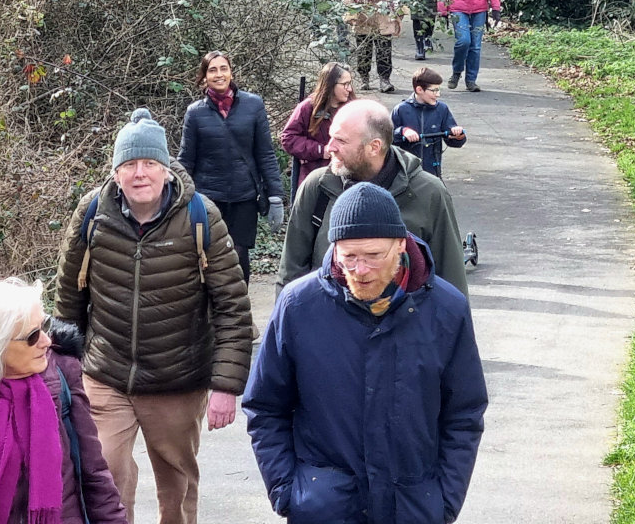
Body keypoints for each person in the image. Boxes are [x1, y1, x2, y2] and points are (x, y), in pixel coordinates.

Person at [244, 184, 487, 524]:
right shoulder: (299, 306)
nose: (360, 270)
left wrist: (443, 500)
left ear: (401, 245)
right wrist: (290, 492)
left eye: (373, 256)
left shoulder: (446, 309)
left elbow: (464, 413)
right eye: (349, 257)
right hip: (324, 509)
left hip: (413, 508)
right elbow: (265, 406)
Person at [56, 111, 253, 524]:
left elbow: (232, 305)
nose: (139, 174)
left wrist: (225, 385)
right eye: (129, 165)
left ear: (166, 169)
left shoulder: (202, 217)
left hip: (177, 379)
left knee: (176, 488)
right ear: (115, 172)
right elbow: (70, 293)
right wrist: (64, 367)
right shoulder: (93, 213)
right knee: (102, 473)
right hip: (106, 372)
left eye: (149, 164)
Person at [0, 278, 128, 524]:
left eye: (44, 326)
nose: (46, 341)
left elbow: (94, 473)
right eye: (33, 336)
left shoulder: (63, 373)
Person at [278, 100, 468, 292]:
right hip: (327, 317)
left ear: (374, 147)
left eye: (341, 140)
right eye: (331, 137)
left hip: (409, 318)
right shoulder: (318, 186)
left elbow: (451, 279)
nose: (330, 147)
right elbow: (290, 273)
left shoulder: (429, 192)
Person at [177, 51, 286, 284]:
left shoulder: (253, 105)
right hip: (207, 198)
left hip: (244, 196)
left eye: (223, 68)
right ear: (204, 76)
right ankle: (209, 314)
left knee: (238, 255)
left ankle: (238, 312)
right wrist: (177, 197)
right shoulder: (195, 113)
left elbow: (265, 153)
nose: (219, 74)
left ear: (231, 72)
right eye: (212, 70)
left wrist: (276, 195)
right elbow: (186, 160)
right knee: (208, 256)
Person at [282, 62, 357, 192]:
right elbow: (288, 138)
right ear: (330, 84)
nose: (349, 89)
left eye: (350, 84)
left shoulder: (354, 108)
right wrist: (320, 150)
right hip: (315, 181)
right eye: (345, 84)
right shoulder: (308, 107)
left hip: (347, 181)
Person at [392, 68, 467, 180]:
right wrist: (403, 131)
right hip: (405, 174)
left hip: (433, 173)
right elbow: (386, 139)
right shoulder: (401, 110)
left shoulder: (442, 109)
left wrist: (458, 135)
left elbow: (453, 141)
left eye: (438, 90)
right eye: (434, 90)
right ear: (419, 89)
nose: (438, 94)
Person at [345, 0, 400, 94]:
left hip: (384, 11)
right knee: (364, 47)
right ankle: (364, 77)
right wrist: (349, 10)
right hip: (363, 10)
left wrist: (399, 8)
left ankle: (384, 79)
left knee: (384, 47)